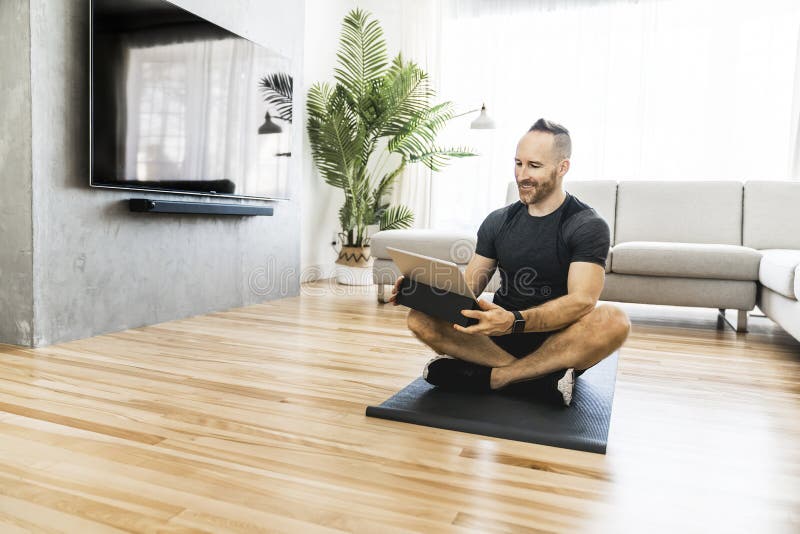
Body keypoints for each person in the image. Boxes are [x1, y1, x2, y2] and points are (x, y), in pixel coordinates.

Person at [389, 118, 630, 406]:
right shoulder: (498, 221)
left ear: (562, 167)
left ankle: (495, 377)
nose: (522, 175)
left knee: (614, 321)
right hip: (497, 332)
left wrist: (514, 321)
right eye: (518, 163)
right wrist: (425, 292)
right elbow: (468, 289)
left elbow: (582, 301)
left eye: (534, 166)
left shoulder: (586, 224)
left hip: (559, 338)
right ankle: (537, 379)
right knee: (419, 318)